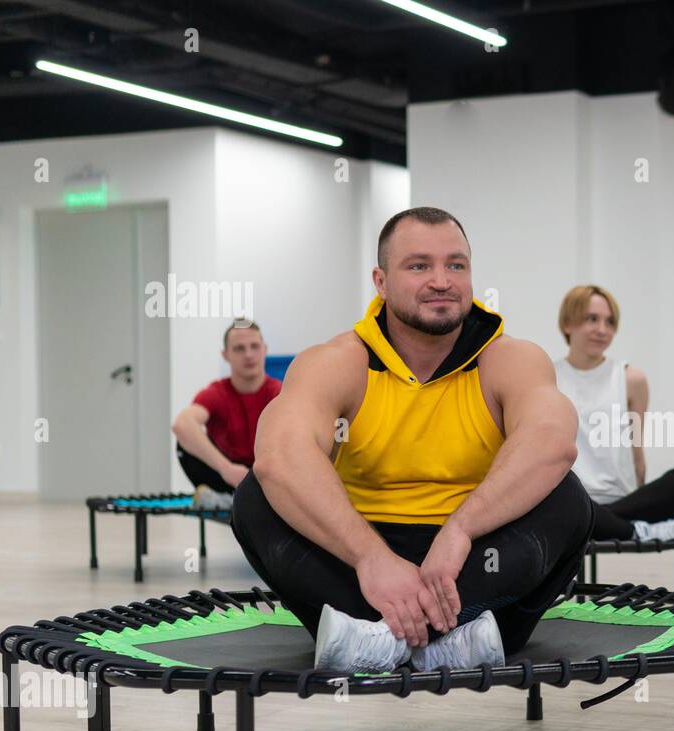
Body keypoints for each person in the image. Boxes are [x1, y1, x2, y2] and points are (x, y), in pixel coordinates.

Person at [231, 207, 594, 674]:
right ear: (380, 281)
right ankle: (423, 641)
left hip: (474, 568)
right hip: (360, 571)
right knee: (255, 497)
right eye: (419, 265)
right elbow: (280, 457)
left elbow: (552, 442)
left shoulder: (509, 359)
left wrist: (461, 530)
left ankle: (391, 640)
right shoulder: (339, 361)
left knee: (568, 496)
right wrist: (370, 558)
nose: (441, 280)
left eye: (455, 265)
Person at [553, 284, 674, 541]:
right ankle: (638, 531)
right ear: (568, 324)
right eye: (592, 319)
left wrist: (644, 493)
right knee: (546, 499)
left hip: (622, 497)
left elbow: (636, 449)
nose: (602, 330)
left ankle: (600, 520)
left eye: (610, 322)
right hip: (571, 495)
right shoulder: (547, 377)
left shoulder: (631, 378)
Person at [171, 321, 281, 510]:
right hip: (227, 477)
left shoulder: (280, 392)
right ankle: (229, 498)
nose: (248, 355)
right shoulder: (217, 392)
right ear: (225, 355)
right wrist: (225, 468)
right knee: (184, 442)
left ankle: (238, 500)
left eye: (254, 346)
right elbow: (182, 424)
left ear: (265, 349)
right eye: (239, 348)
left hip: (267, 477)